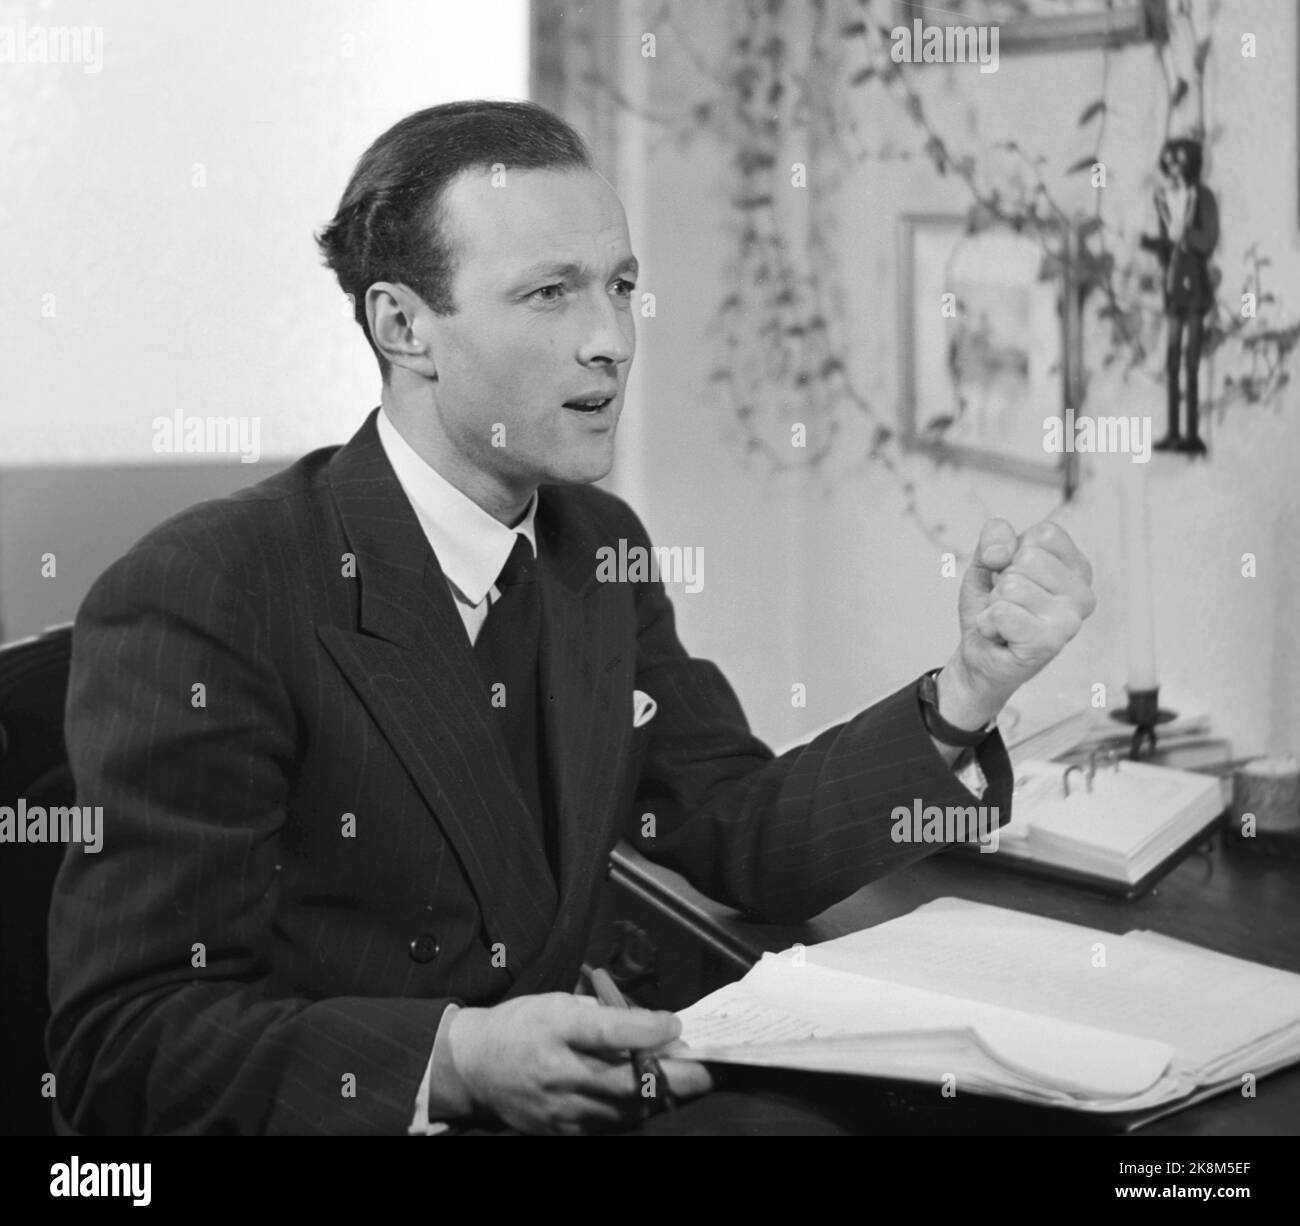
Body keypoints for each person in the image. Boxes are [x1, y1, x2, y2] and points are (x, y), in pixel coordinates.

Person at [46, 100, 1096, 1136]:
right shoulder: (210, 589)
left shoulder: (599, 544)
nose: (611, 341)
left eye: (621, 286)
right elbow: (127, 1047)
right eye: (550, 293)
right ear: (402, 326)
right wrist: (455, 1061)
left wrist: (968, 689)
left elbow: (735, 832)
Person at [1140, 137, 1219, 456]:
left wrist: (1183, 233)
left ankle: (1192, 434)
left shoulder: (1202, 198)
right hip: (1174, 291)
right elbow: (1166, 247)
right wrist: (1153, 244)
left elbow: (1207, 240)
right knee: (1173, 361)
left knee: (1191, 362)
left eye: (1180, 162)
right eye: (1169, 162)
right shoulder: (1166, 200)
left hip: (1196, 289)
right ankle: (1173, 431)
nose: (1173, 168)